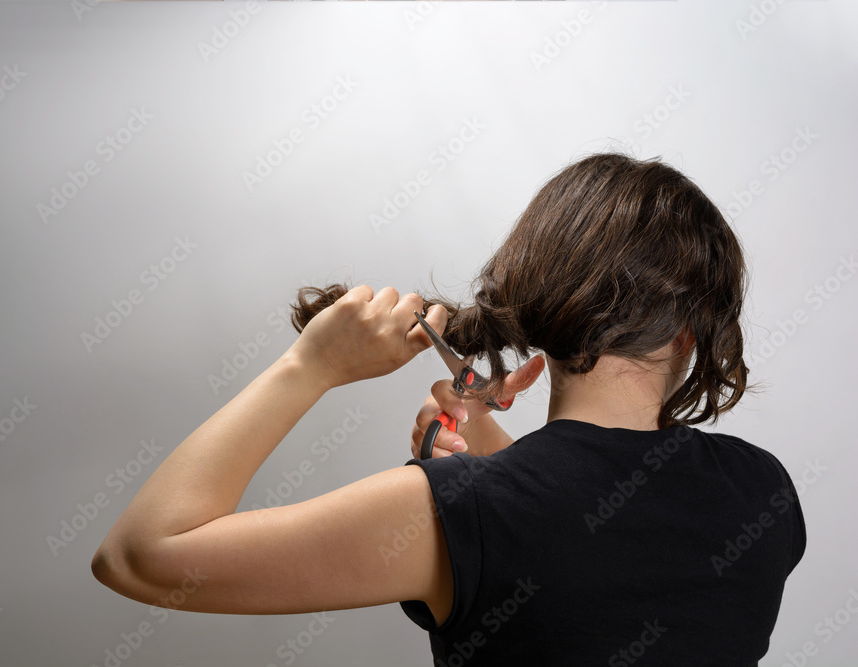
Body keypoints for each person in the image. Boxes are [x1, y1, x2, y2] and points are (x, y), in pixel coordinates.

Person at [91, 151, 806, 665]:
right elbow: (600, 539)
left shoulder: (460, 511)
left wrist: (308, 368)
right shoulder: (764, 494)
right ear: (690, 333)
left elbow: (138, 557)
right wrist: (485, 450)